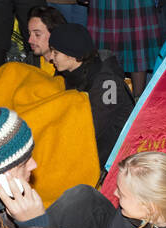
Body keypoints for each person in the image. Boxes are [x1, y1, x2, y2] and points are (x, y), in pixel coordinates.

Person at [45, 23, 134, 164]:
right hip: (87, 145)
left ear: (72, 55)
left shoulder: (107, 82)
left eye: (56, 53)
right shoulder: (69, 74)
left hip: (111, 155)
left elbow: (94, 128)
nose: (50, 57)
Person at [24, 4, 66, 72]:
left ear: (55, 34)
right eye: (29, 34)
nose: (30, 40)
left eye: (37, 34)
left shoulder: (69, 68)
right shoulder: (30, 62)